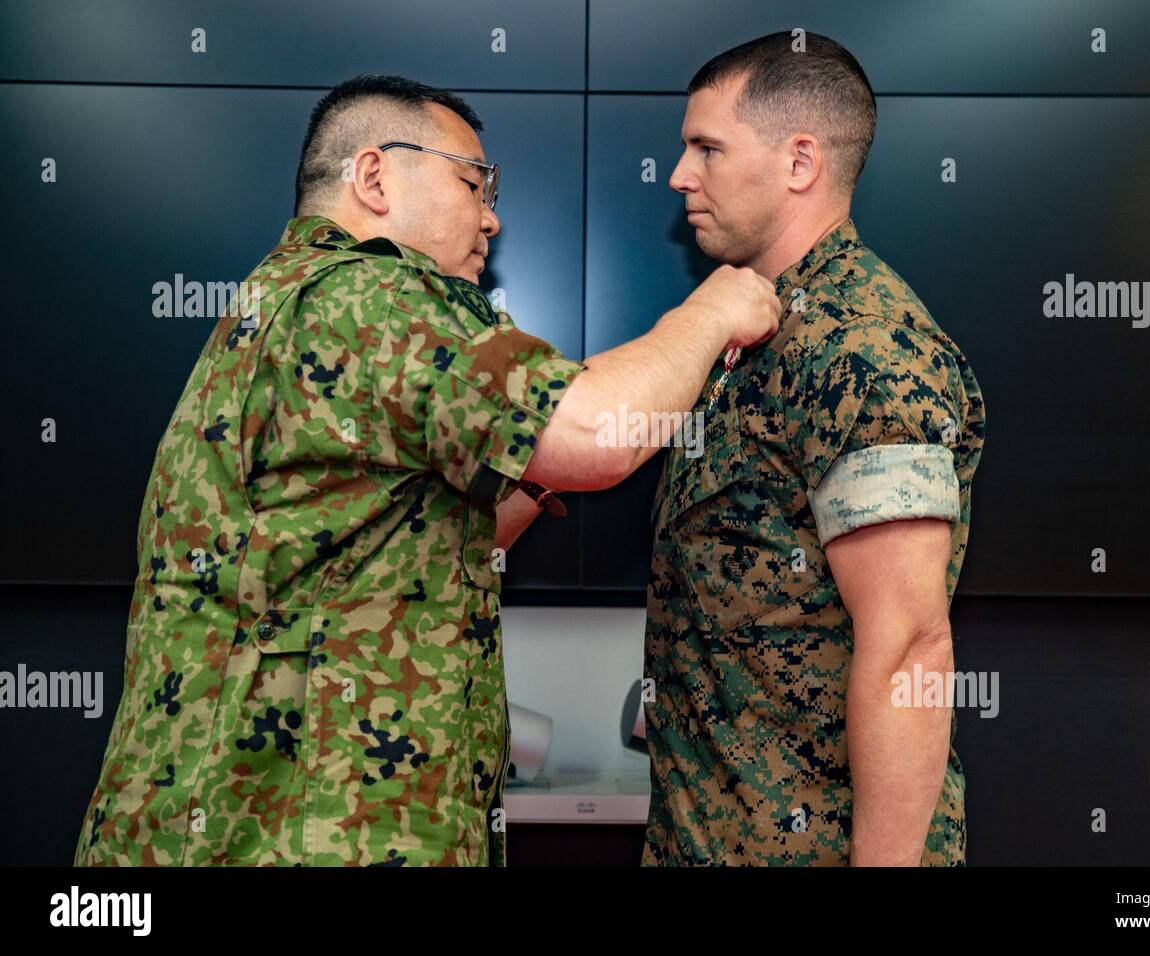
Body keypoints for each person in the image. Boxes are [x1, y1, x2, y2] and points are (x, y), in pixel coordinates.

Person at [73, 74, 778, 867]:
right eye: (472, 182)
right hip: (297, 835)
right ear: (373, 177)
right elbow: (595, 434)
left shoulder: (284, 299)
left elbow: (408, 539)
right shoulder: (366, 293)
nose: (490, 216)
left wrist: (532, 473)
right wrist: (712, 311)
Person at [642, 33, 987, 866]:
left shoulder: (863, 350)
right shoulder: (751, 328)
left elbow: (910, 644)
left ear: (800, 162)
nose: (681, 175)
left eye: (707, 148)